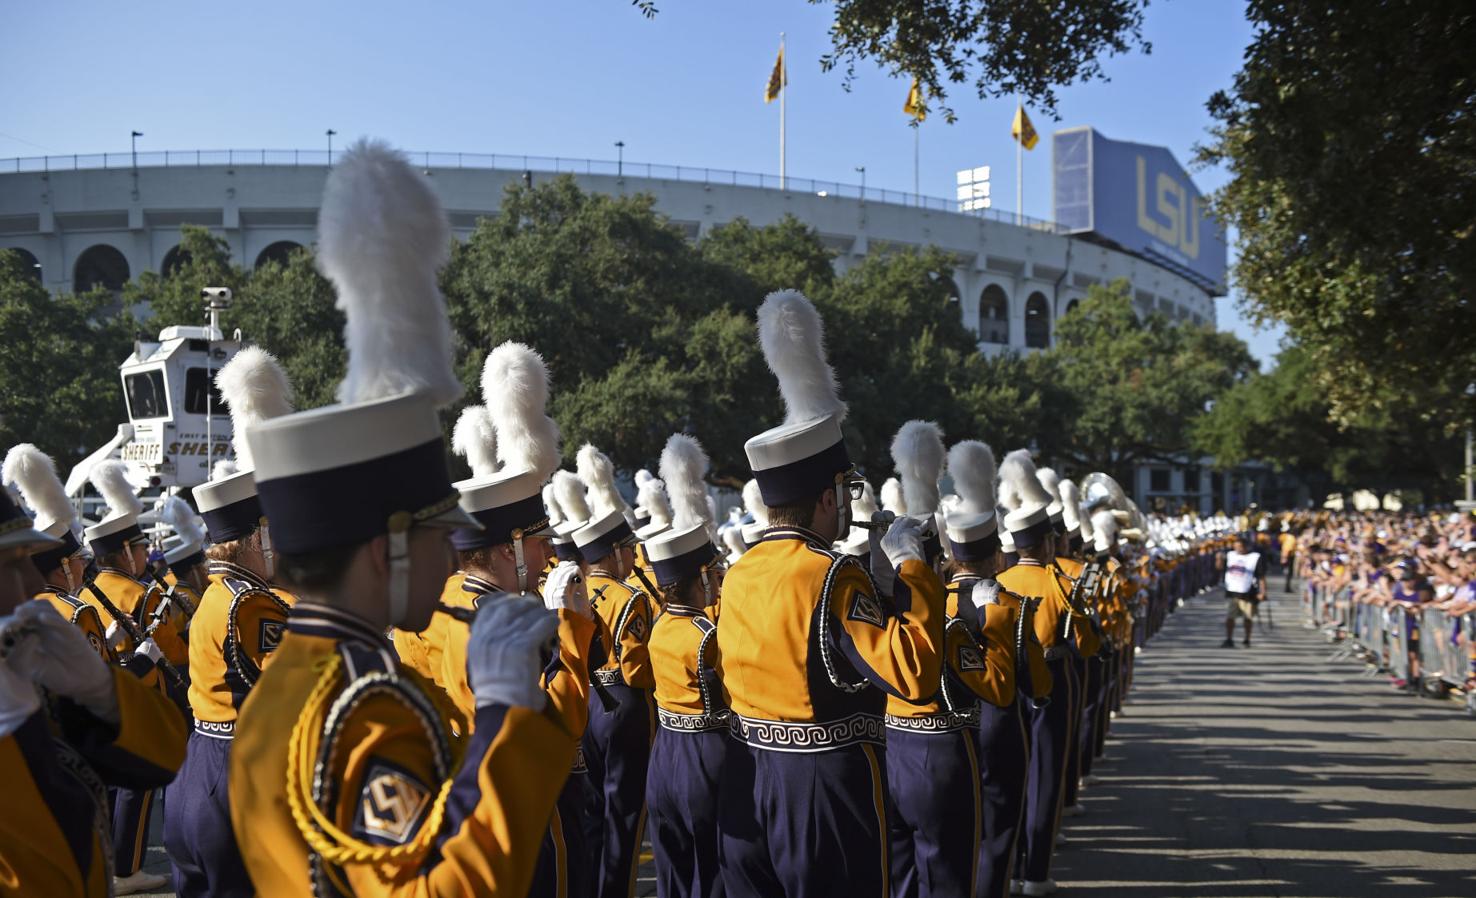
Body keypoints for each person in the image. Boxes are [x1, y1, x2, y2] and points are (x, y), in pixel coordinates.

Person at [228, 139, 574, 897]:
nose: (456, 555)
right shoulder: (367, 704)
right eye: (438, 535)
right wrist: (502, 721)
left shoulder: (288, 679)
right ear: (389, 547)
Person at [715, 290, 945, 896]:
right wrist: (914, 571)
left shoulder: (738, 570)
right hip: (824, 785)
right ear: (827, 497)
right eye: (845, 489)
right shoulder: (832, 573)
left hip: (748, 772)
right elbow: (914, 674)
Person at [0, 488, 188, 897]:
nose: (33, 581)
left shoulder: (26, 675)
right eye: (10, 566)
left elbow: (163, 757)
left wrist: (101, 689)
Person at [164, 344, 295, 898]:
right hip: (237, 772)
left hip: (198, 765)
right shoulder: (255, 603)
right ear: (257, 537)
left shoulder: (218, 595)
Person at [884, 423, 1014, 898]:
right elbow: (998, 688)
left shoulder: (882, 612)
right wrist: (996, 622)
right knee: (948, 876)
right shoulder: (952, 625)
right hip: (940, 755)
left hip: (891, 751)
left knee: (900, 877)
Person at [996, 450, 1097, 898]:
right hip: (1052, 681)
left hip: (1001, 688)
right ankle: (1034, 873)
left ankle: (1008, 865)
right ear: (1047, 543)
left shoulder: (997, 584)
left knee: (1005, 778)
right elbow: (1088, 643)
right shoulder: (1063, 581)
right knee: (1044, 776)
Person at [643, 433, 730, 898]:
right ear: (698, 576)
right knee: (712, 869)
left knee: (673, 872)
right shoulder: (707, 634)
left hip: (665, 752)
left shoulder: (659, 626)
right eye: (711, 573)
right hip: (704, 755)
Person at [573, 442, 655, 898]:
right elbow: (636, 667)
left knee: (593, 815)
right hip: (623, 705)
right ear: (616, 553)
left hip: (585, 703)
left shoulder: (575, 591)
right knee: (624, 815)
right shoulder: (632, 597)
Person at [1221, 532, 1267, 648]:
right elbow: (1219, 568)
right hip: (1233, 592)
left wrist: (1263, 592)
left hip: (1248, 592)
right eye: (1236, 545)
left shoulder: (1254, 558)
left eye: (1240, 546)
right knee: (1230, 617)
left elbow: (1261, 576)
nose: (1238, 548)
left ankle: (1247, 639)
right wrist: (1218, 559)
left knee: (1248, 618)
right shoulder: (1230, 555)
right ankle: (1229, 638)